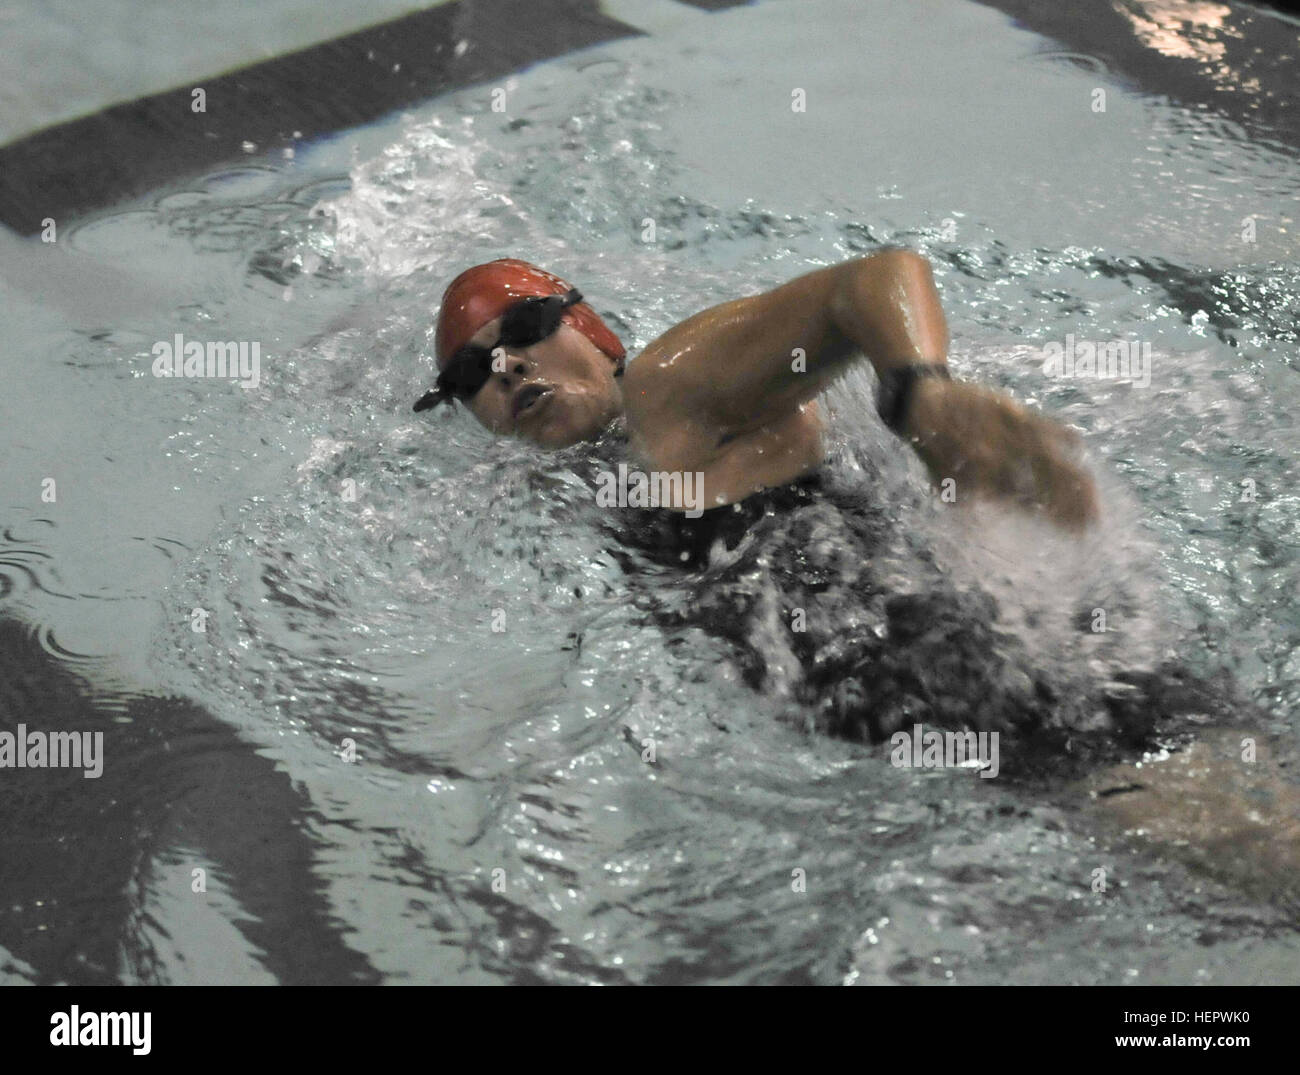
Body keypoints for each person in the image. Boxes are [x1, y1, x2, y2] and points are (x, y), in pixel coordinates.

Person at [414, 252, 1100, 531]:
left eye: (526, 327)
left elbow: (867, 280)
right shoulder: (582, 490)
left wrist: (925, 397)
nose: (505, 366)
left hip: (964, 674)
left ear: (591, 329)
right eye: (470, 377)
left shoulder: (668, 391)